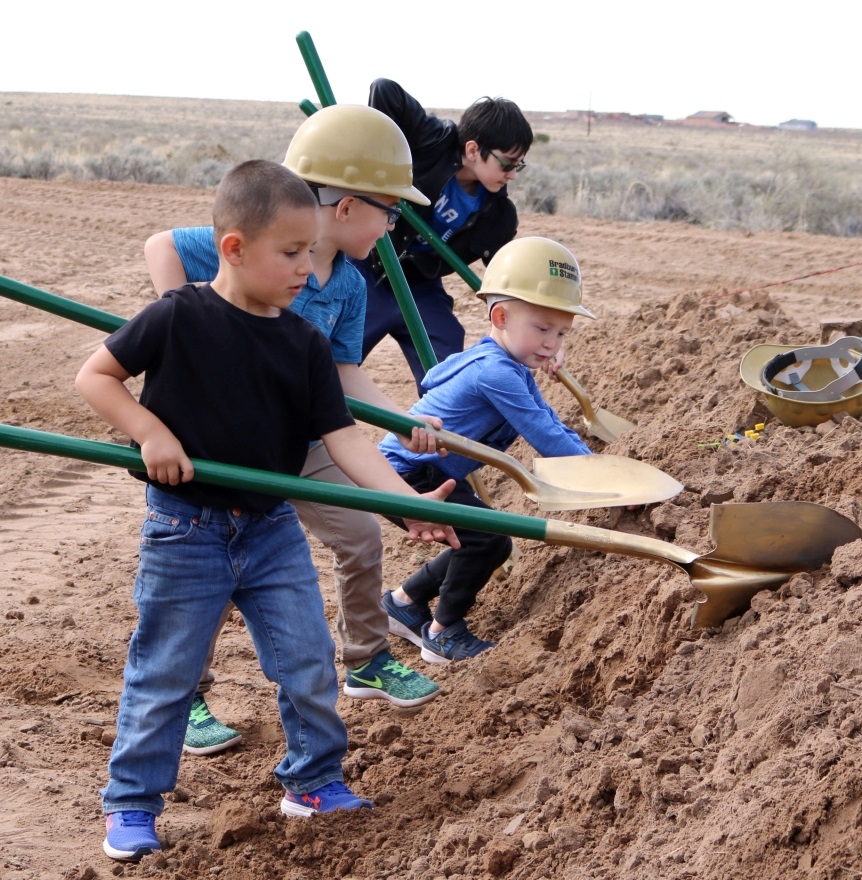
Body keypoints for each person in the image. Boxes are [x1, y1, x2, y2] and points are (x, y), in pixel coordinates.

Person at [77, 159, 460, 861]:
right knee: (165, 673)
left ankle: (312, 781)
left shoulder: (304, 342)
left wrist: (404, 506)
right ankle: (132, 802)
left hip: (271, 528)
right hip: (185, 527)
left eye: (310, 251)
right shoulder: (178, 316)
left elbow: (343, 439)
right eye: (291, 254)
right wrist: (152, 433)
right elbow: (95, 376)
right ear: (234, 248)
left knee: (308, 660)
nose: (306, 271)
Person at [143, 105, 448, 758]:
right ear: (344, 208)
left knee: (362, 533)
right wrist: (187, 336)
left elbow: (342, 374)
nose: (394, 224)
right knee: (215, 573)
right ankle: (189, 694)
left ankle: (366, 658)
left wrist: (404, 414)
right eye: (388, 209)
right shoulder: (263, 241)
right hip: (225, 448)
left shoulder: (352, 286)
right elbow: (162, 246)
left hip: (304, 441)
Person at [378, 237, 596, 663]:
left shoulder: (505, 362)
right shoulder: (497, 374)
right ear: (500, 316)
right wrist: (599, 473)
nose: (552, 344)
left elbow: (547, 418)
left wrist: (594, 461)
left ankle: (403, 604)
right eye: (542, 329)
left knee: (475, 534)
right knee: (489, 539)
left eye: (561, 333)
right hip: (408, 471)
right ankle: (443, 634)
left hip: (427, 469)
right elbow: (545, 435)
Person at [354, 78, 534, 394]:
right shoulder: (434, 141)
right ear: (473, 149)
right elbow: (385, 90)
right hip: (370, 269)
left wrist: (537, 333)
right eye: (507, 163)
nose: (513, 174)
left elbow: (505, 281)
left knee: (447, 362)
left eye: (519, 165)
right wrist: (377, 159)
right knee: (328, 355)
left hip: (420, 287)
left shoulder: (498, 215)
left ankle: (443, 434)